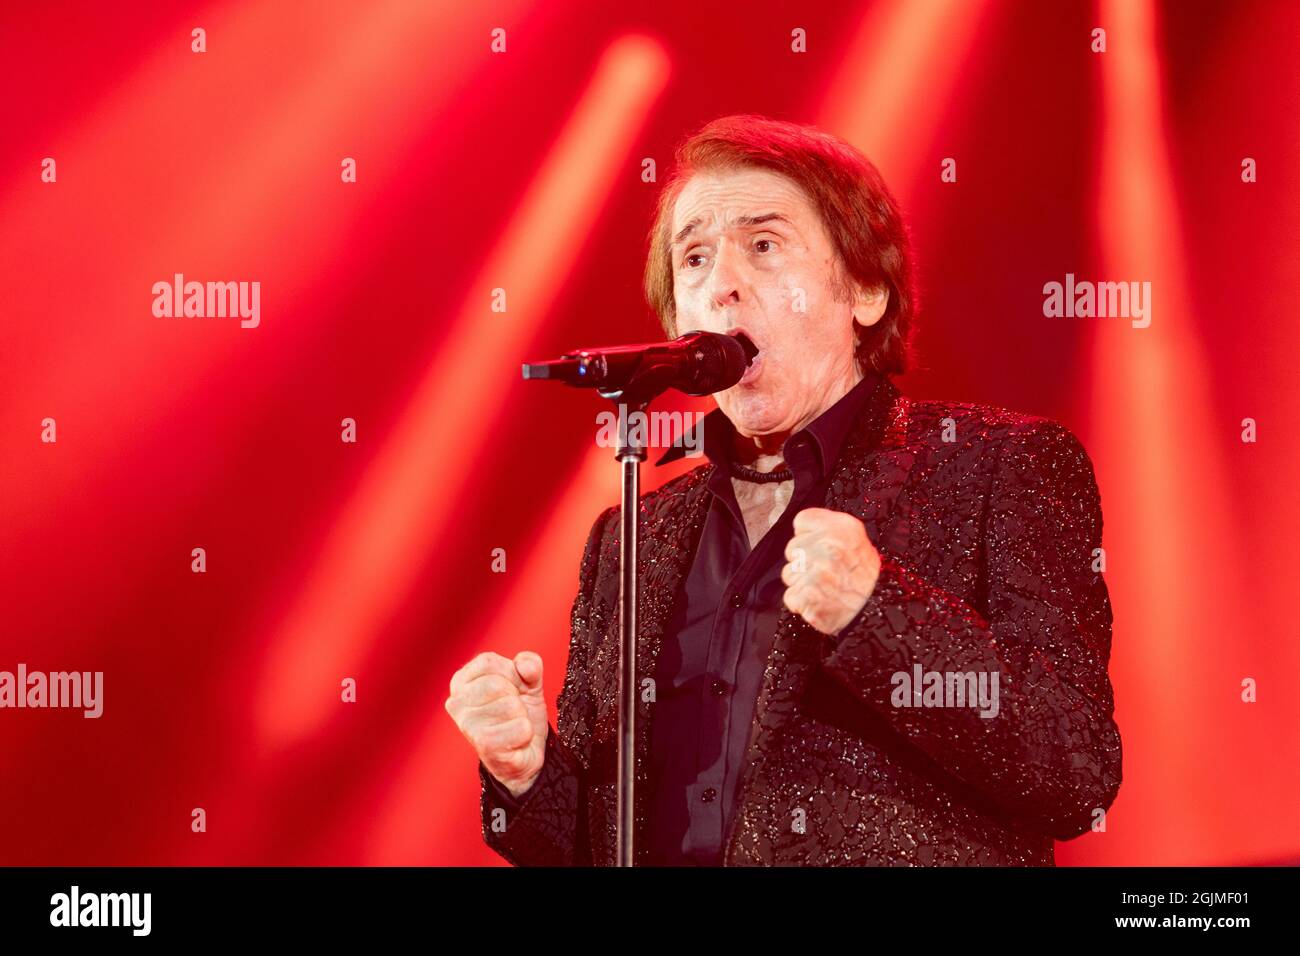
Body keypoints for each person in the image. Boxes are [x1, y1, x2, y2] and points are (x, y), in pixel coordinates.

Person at [445, 114, 1122, 865]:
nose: (723, 285)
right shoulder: (631, 536)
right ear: (678, 323)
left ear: (865, 290)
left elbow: (1078, 769)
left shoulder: (998, 466)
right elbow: (594, 847)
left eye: (763, 246)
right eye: (694, 259)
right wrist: (523, 772)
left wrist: (879, 613)